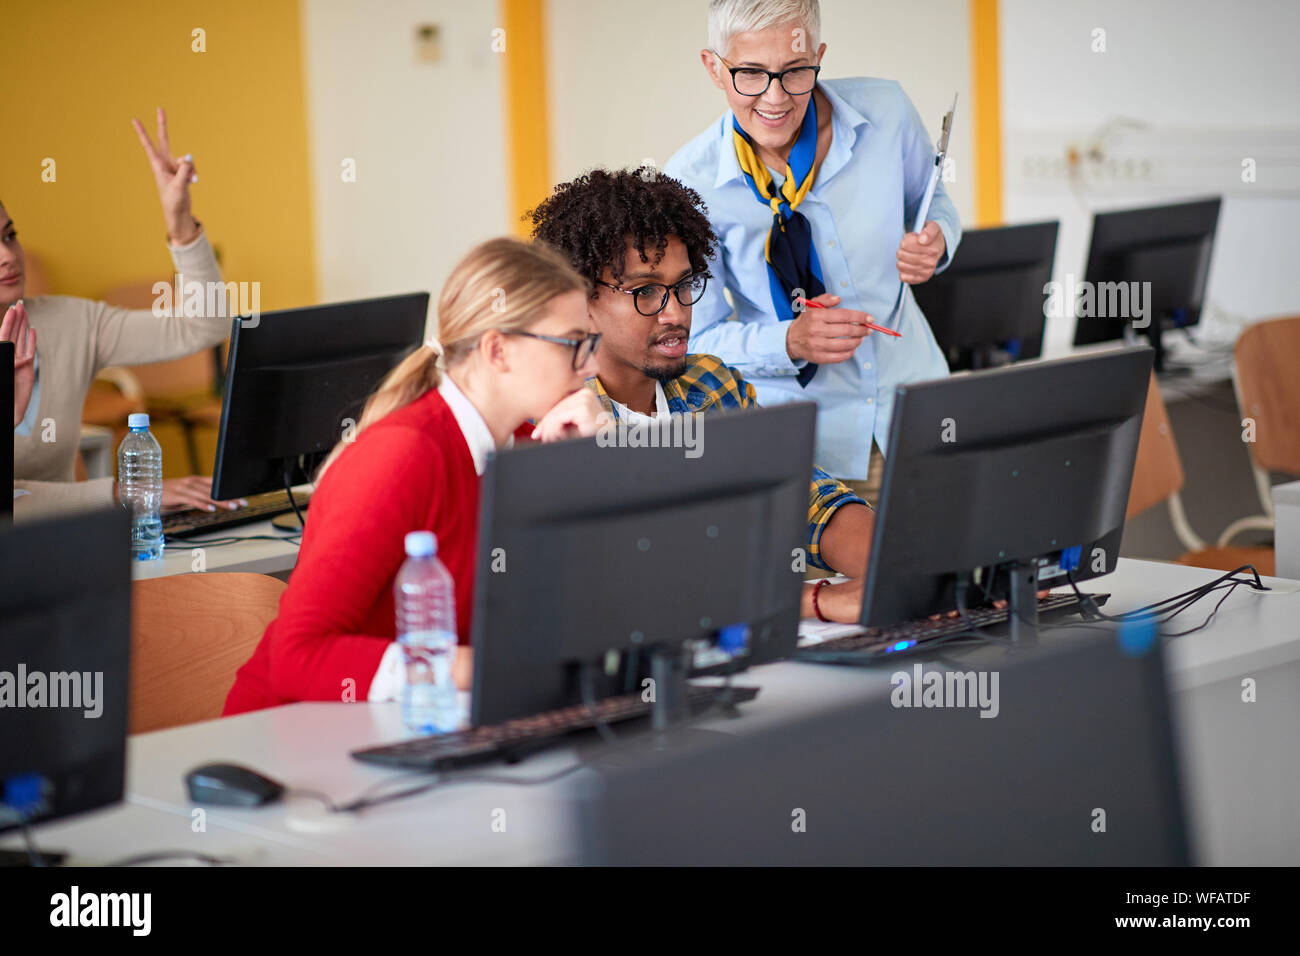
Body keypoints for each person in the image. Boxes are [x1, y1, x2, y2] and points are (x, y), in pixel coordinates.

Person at [223, 237, 605, 716]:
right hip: (292, 737)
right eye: (573, 344)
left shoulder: (531, 444)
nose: (591, 367)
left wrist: (595, 462)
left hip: (417, 720)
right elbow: (297, 658)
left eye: (591, 345)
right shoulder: (403, 454)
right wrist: (479, 668)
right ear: (498, 350)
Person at [529, 166, 871, 623]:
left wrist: (897, 567)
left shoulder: (711, 386)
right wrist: (816, 602)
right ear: (581, 302)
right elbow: (643, 578)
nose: (675, 312)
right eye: (645, 291)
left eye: (684, 285)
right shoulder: (558, 424)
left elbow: (806, 499)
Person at [664, 0, 961, 500]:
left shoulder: (886, 112)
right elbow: (694, 340)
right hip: (808, 450)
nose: (775, 98)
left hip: (922, 413)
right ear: (714, 68)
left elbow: (938, 205)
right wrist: (789, 342)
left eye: (795, 71)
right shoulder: (688, 186)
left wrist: (938, 238)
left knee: (957, 574)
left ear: (819, 56)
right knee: (838, 580)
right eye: (751, 74)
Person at [4, 108, 244, 519]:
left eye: (10, 236)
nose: (8, 256)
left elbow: (203, 326)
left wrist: (181, 223)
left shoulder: (71, 323)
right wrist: (126, 493)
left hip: (60, 550)